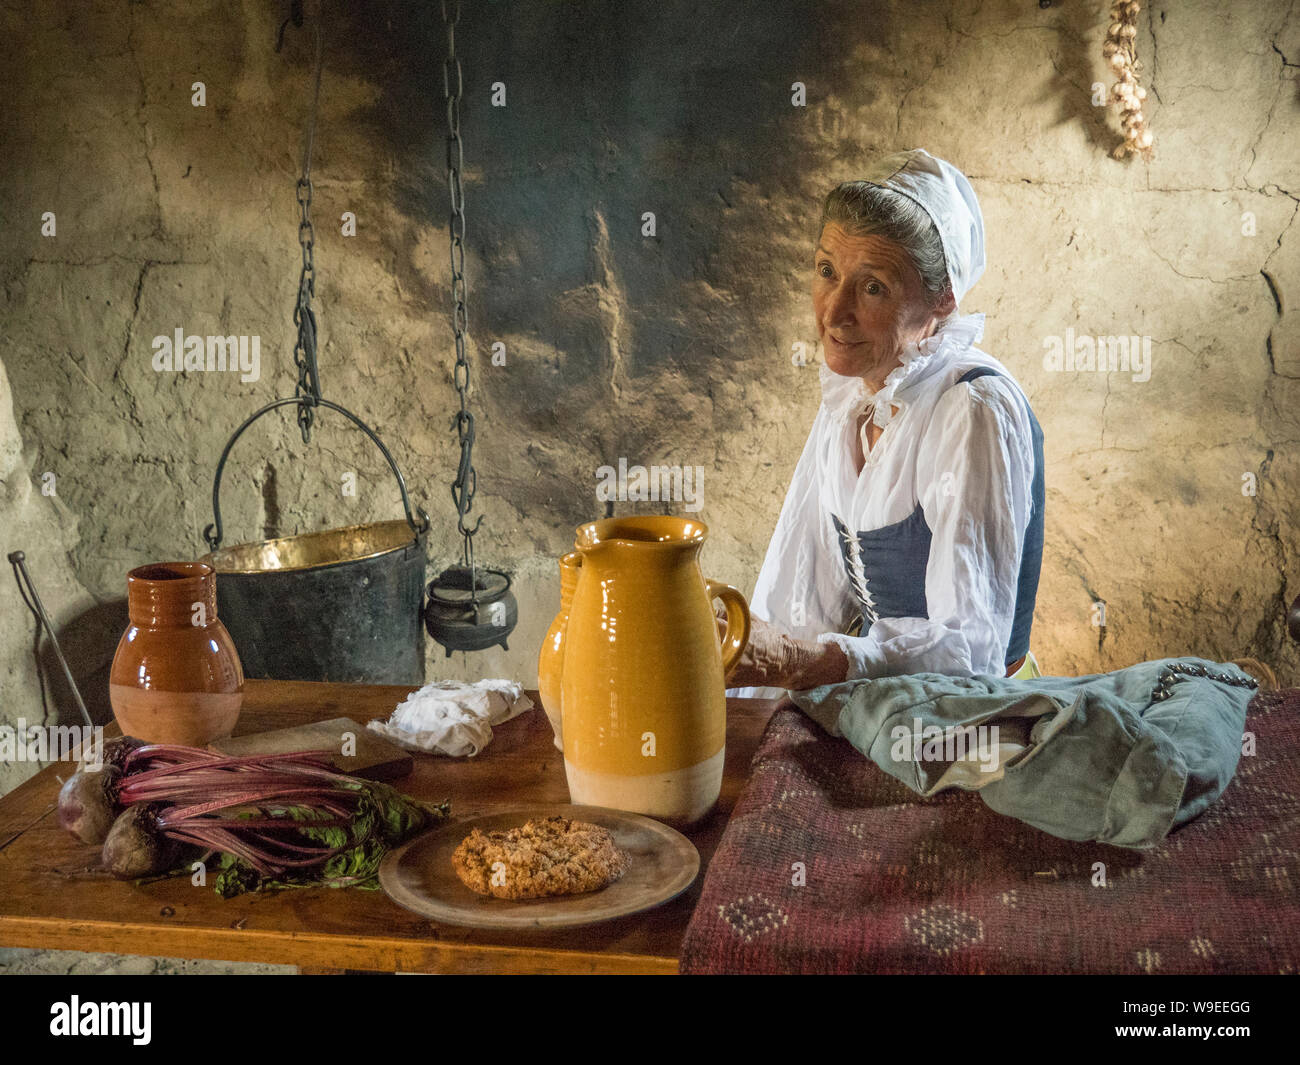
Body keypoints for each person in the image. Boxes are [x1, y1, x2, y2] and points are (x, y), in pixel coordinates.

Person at [726, 148, 1045, 698]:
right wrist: (739, 687)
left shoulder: (971, 410)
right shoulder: (853, 397)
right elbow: (799, 590)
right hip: (884, 702)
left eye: (873, 286)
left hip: (975, 719)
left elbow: (968, 652)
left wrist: (794, 661)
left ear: (942, 298)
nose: (833, 312)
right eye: (827, 271)